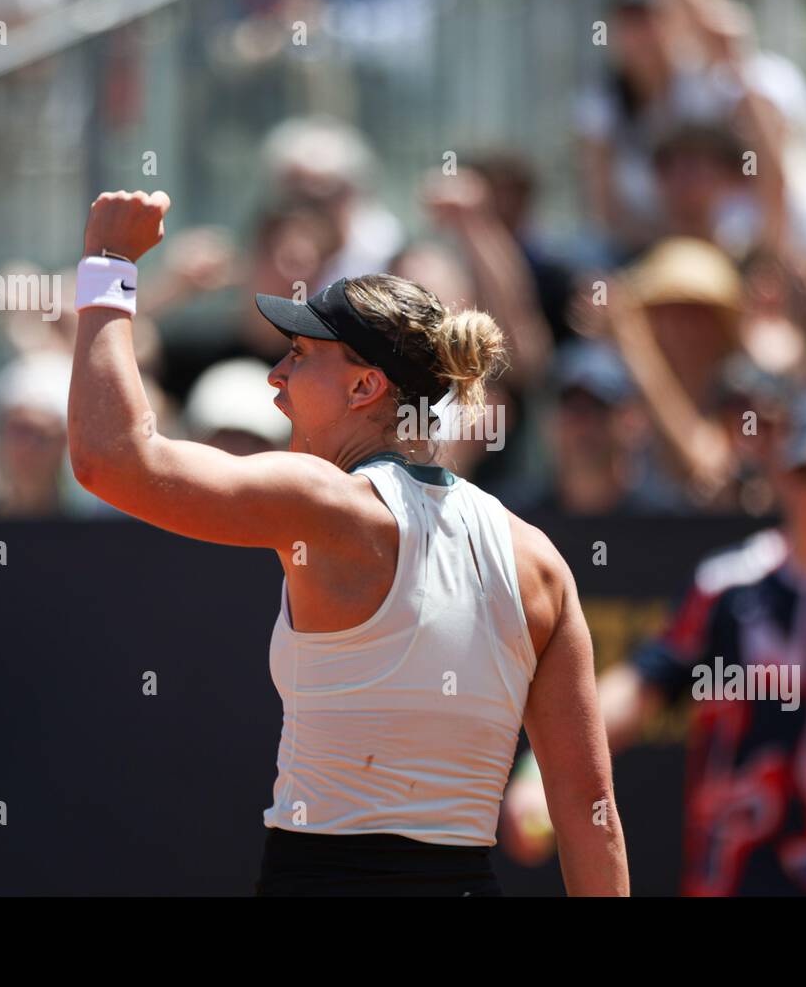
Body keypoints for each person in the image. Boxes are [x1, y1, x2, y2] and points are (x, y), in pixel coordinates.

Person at [67, 190, 629, 896]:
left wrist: (109, 263)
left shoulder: (324, 501)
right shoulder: (539, 561)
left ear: (365, 384)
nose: (276, 376)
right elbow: (590, 815)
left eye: (299, 355)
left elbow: (108, 460)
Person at [501, 393, 806, 896]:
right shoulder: (725, 587)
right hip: (730, 879)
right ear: (784, 476)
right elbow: (640, 685)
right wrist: (540, 772)